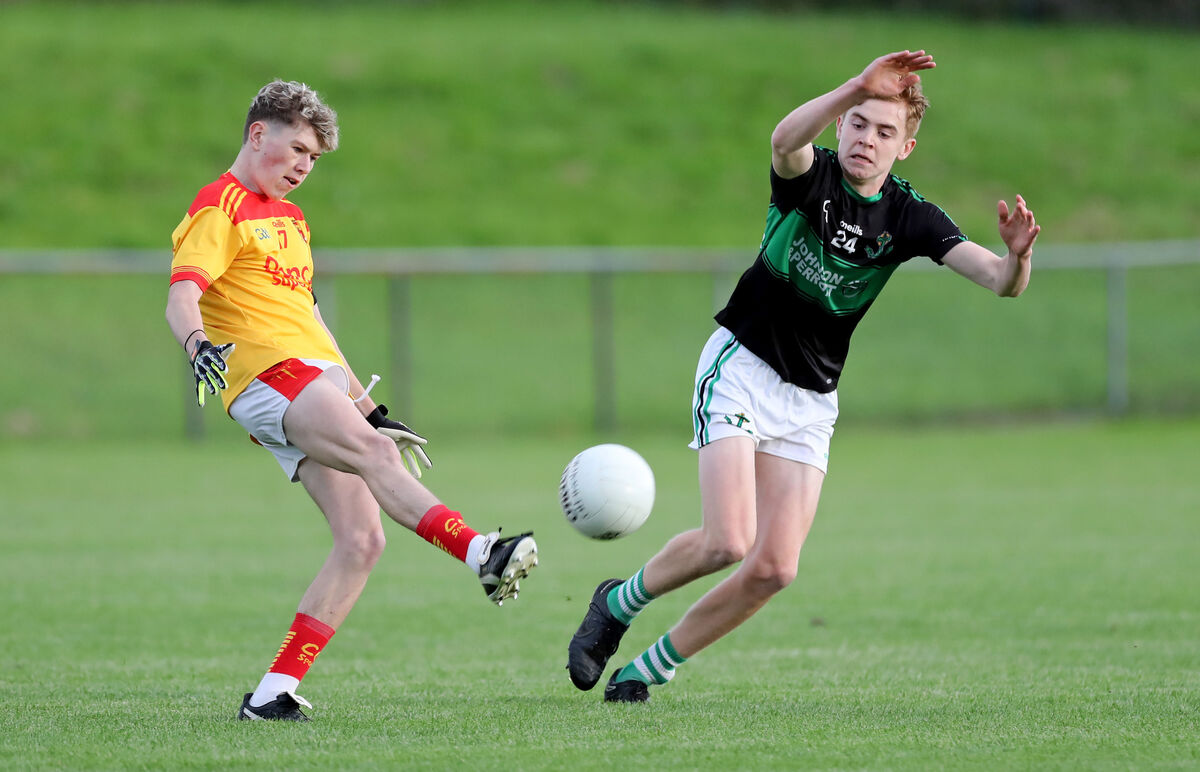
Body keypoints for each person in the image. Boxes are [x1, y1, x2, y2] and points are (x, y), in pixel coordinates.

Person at [567, 50, 1040, 703]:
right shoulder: (809, 177)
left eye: (884, 132)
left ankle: (650, 669)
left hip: (811, 399)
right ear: (841, 123)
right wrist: (854, 85)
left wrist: (1017, 259)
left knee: (774, 569)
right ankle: (617, 604)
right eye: (858, 123)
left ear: (906, 146)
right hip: (743, 367)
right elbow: (783, 139)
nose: (866, 141)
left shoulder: (909, 219)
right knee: (727, 540)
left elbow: (999, 283)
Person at [165, 80, 539, 722]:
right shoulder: (219, 206)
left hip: (307, 373)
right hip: (265, 374)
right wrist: (198, 343)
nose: (305, 167)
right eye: (299, 150)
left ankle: (271, 693)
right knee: (370, 457)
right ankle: (484, 553)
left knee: (363, 540)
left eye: (314, 159)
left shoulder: (291, 218)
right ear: (259, 135)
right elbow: (181, 295)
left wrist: (366, 405)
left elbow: (309, 319)